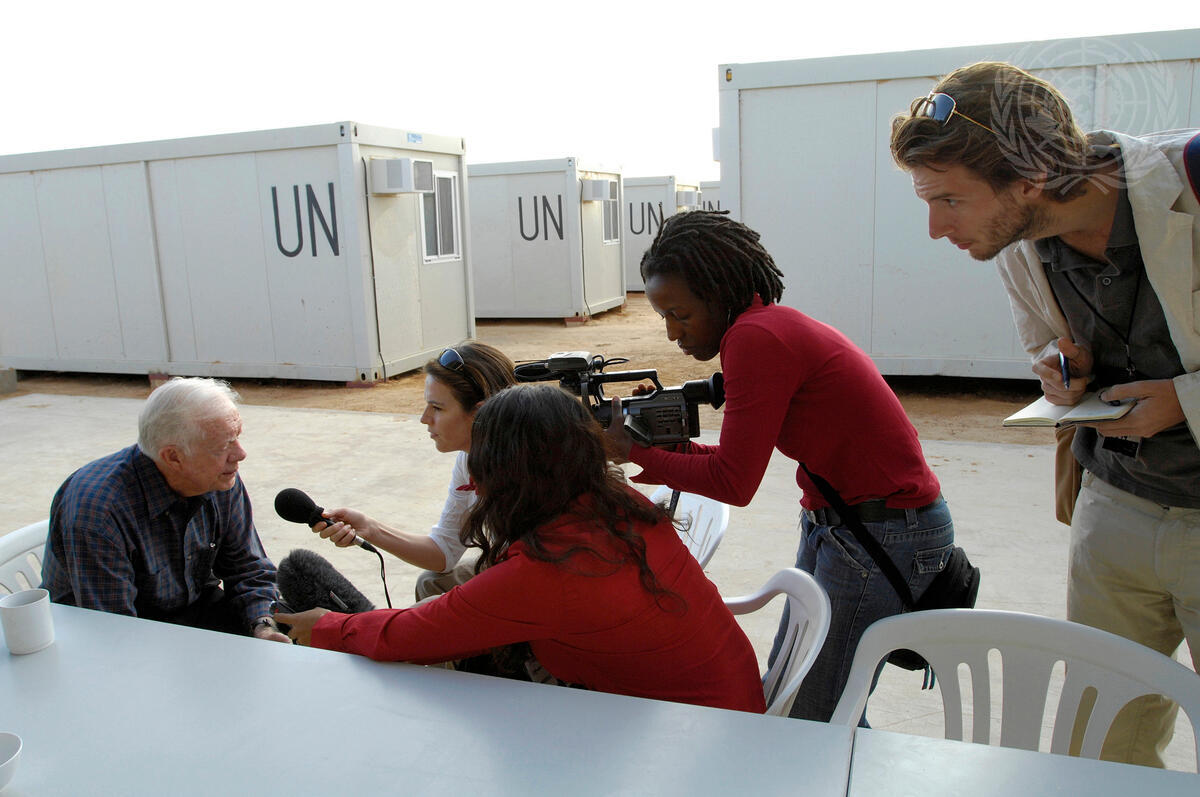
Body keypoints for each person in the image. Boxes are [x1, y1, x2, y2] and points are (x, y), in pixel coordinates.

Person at [889, 61, 1199, 768]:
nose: (936, 229)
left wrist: (1185, 399)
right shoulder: (1014, 237)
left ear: (1030, 178)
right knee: (1100, 738)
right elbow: (1044, 346)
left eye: (948, 201)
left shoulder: (1191, 187)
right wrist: (1063, 370)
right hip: (1114, 510)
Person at [602, 210, 954, 723]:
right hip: (847, 527)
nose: (674, 333)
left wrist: (631, 452)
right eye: (664, 318)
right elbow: (729, 463)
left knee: (815, 711)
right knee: (800, 691)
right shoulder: (767, 327)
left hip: (882, 532)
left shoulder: (755, 339)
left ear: (718, 294)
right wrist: (653, 447)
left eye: (680, 314)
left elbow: (733, 482)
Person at [277, 383, 766, 713]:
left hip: (683, 734)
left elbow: (416, 633)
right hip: (718, 703)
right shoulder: (614, 503)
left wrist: (324, 626)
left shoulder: (553, 570)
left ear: (506, 472)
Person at [41, 377, 289, 642]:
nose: (240, 454)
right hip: (106, 636)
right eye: (224, 445)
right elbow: (114, 632)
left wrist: (263, 626)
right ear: (173, 457)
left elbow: (249, 570)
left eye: (237, 438)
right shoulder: (99, 511)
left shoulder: (217, 478)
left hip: (192, 613)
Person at [311, 343, 516, 599]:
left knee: (432, 608)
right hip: (518, 569)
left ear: (479, 412)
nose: (424, 418)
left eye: (437, 408)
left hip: (542, 581)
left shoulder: (529, 469)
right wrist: (370, 529)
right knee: (431, 583)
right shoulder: (469, 460)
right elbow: (443, 552)